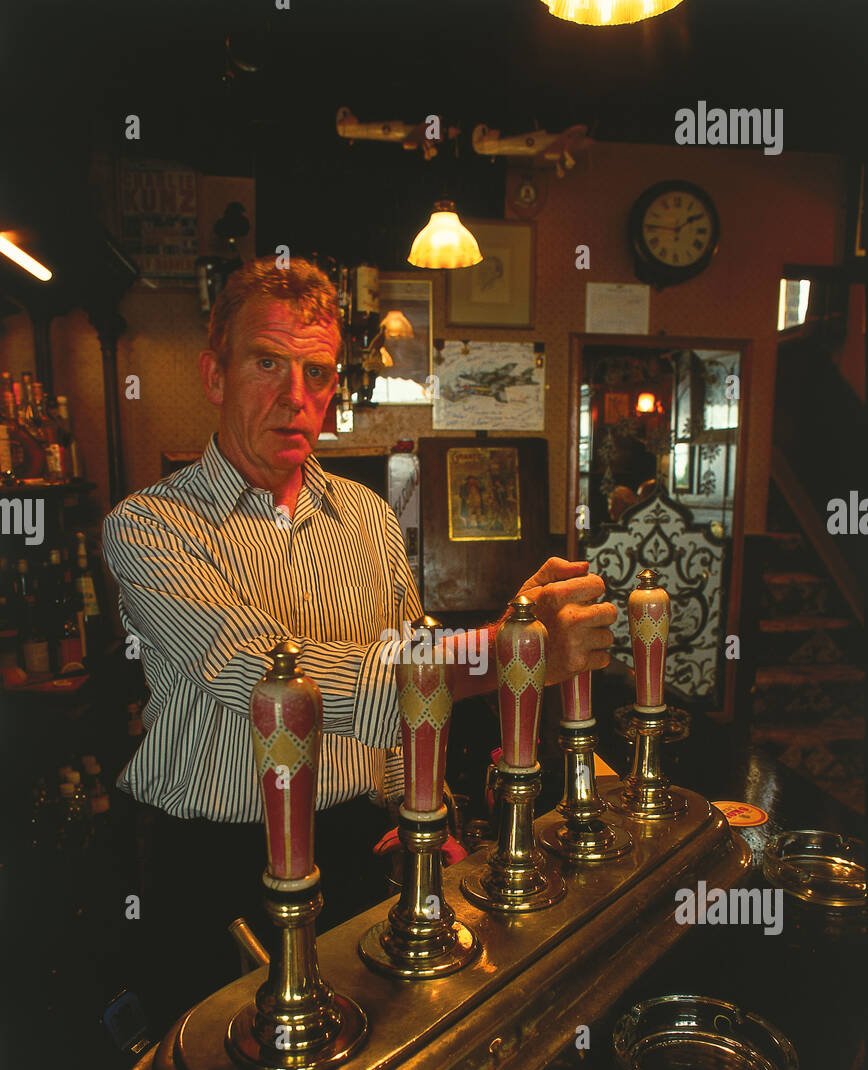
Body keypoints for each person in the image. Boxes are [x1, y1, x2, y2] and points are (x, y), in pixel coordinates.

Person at [102, 256, 617, 1031]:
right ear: (214, 376)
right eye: (266, 363)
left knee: (368, 1055)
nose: (295, 398)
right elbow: (265, 680)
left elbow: (409, 666)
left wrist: (426, 812)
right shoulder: (147, 526)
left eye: (317, 372)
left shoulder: (370, 518)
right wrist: (513, 652)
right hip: (213, 857)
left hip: (353, 842)